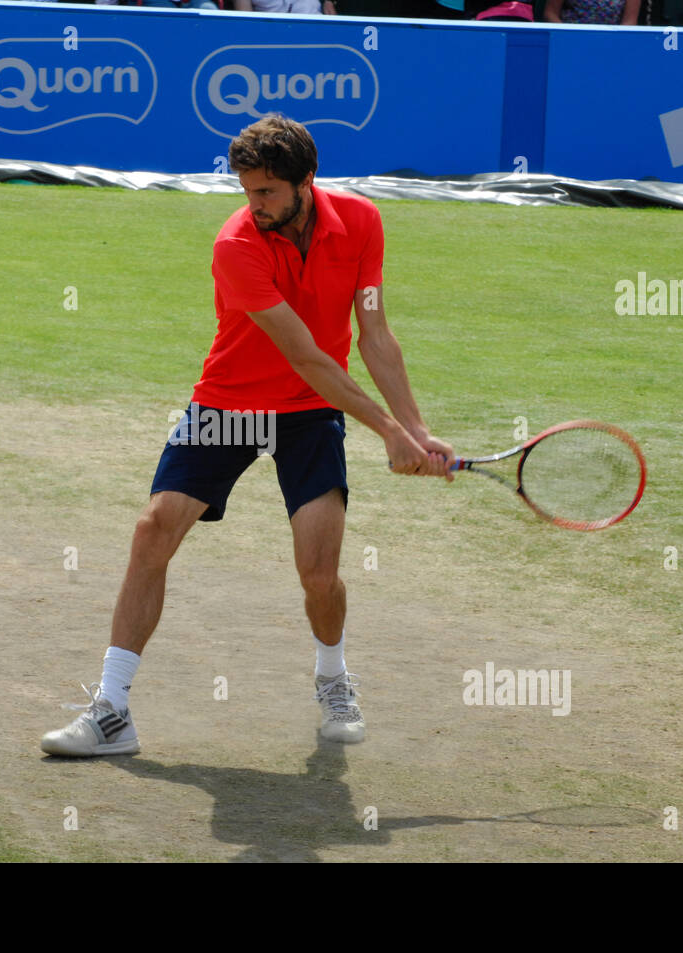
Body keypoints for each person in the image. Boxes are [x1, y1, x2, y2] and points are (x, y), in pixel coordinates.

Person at [41, 115, 454, 758]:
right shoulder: (236, 243)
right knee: (154, 530)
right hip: (229, 403)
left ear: (306, 182)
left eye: (265, 191)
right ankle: (111, 709)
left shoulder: (364, 224)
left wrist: (418, 430)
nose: (252, 203)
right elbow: (308, 356)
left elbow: (373, 331)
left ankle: (333, 680)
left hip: (311, 414)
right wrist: (389, 432)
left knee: (319, 572)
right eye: (245, 189)